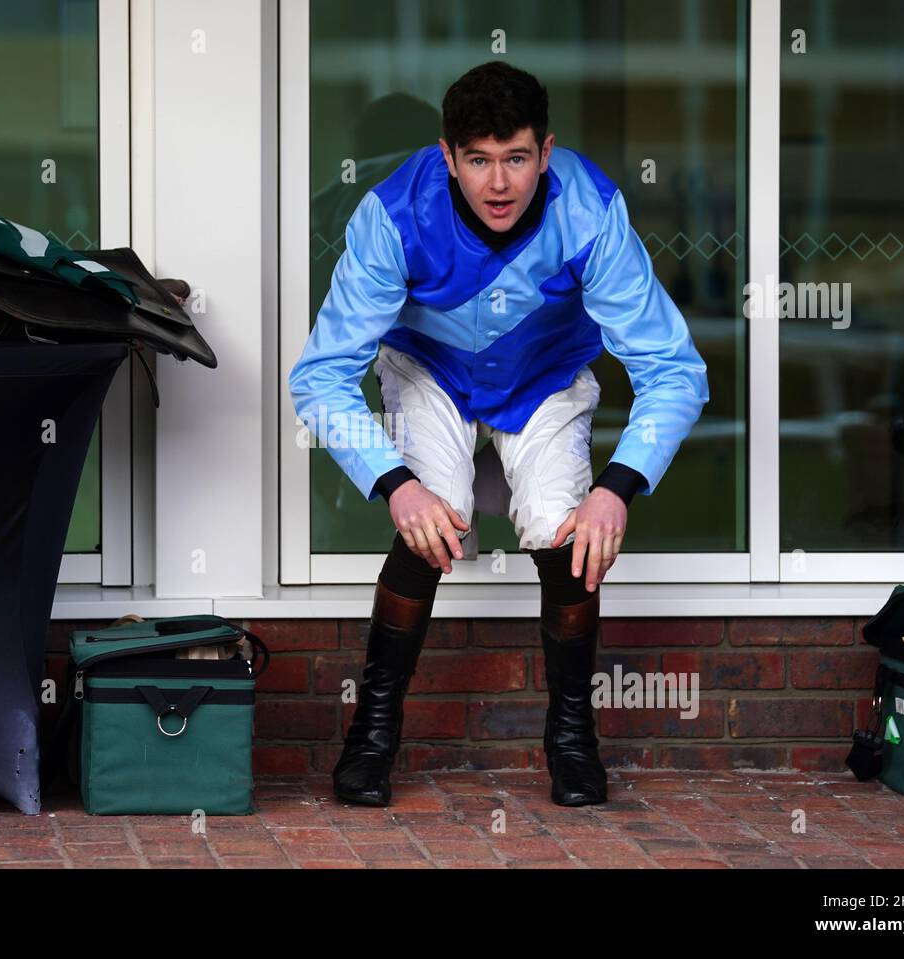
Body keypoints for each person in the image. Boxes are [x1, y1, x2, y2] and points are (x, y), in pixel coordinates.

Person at [288, 60, 710, 808]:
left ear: (545, 152)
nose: (499, 183)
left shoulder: (590, 208)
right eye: (478, 160)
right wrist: (395, 484)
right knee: (435, 510)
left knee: (564, 527)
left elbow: (674, 369)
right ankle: (373, 734)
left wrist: (619, 486)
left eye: (516, 158)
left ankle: (573, 737)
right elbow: (319, 375)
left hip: (544, 377)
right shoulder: (392, 213)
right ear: (447, 156)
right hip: (430, 372)